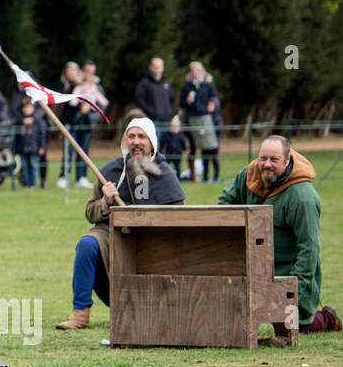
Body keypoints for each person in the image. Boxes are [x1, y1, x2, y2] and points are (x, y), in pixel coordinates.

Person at [55, 118, 187, 329]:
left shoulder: (166, 175)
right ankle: (80, 313)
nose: (136, 142)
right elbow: (90, 212)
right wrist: (106, 202)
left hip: (152, 242)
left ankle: (138, 307)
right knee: (87, 244)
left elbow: (181, 218)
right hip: (112, 234)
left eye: (141, 137)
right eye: (131, 136)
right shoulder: (109, 172)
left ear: (152, 142)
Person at [218, 135, 339, 333]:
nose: (267, 164)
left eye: (274, 159)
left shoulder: (303, 197)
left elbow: (309, 248)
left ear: (287, 160)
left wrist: (296, 292)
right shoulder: (248, 175)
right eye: (263, 158)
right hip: (251, 266)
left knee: (292, 326)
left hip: (288, 273)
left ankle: (327, 319)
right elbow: (225, 204)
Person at [133, 56, 174, 138]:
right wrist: (150, 112)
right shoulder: (144, 83)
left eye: (159, 67)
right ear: (150, 67)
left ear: (162, 68)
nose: (157, 69)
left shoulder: (166, 83)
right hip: (151, 121)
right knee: (154, 146)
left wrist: (171, 114)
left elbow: (172, 99)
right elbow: (139, 100)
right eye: (155, 66)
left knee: (166, 147)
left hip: (166, 121)